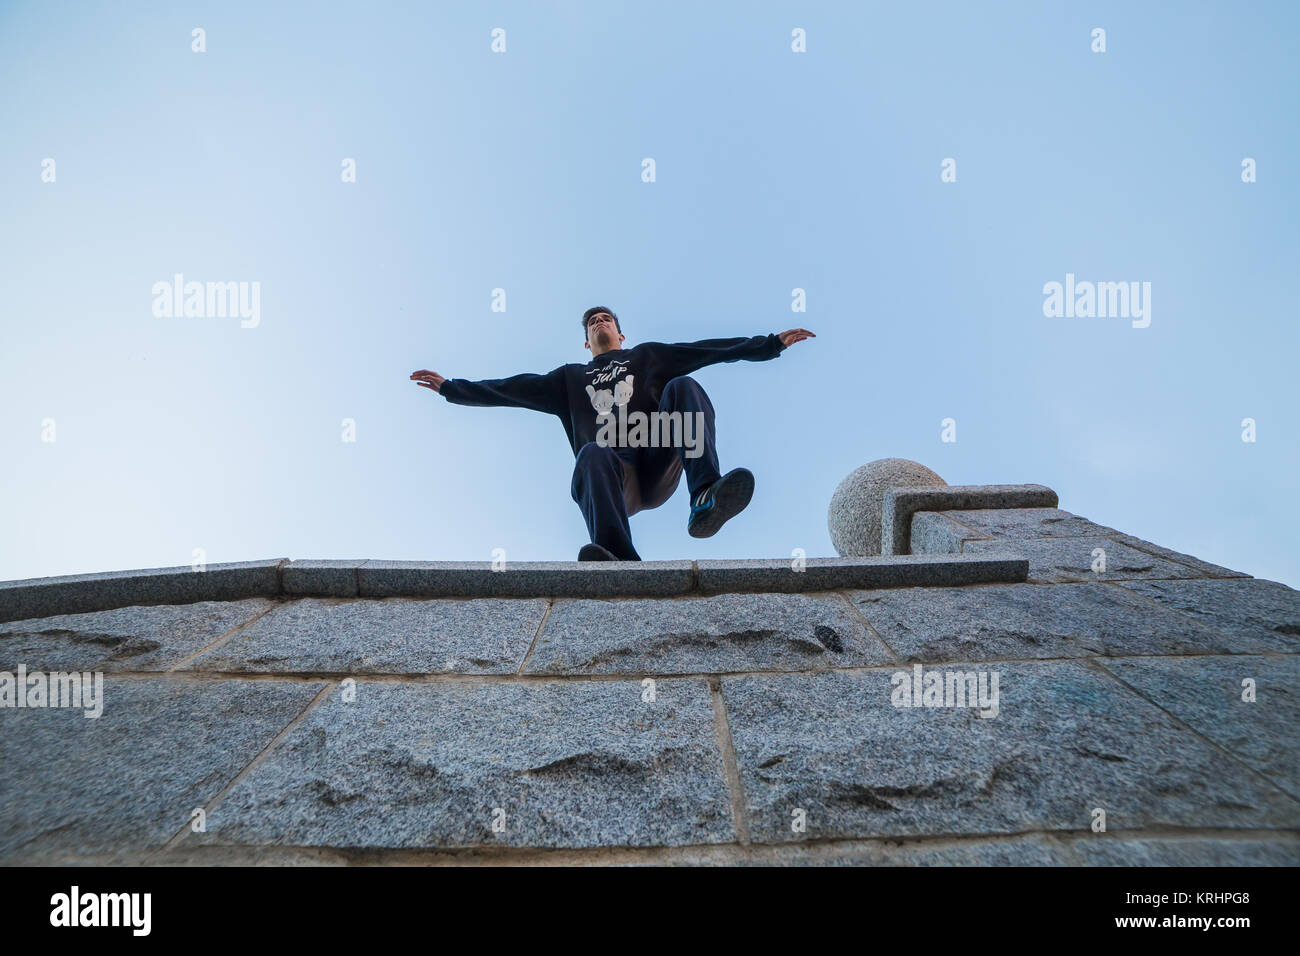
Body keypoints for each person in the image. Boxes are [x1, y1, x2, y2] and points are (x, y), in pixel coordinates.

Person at [411, 307, 814, 561]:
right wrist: (452, 388)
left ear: (622, 335)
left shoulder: (648, 356)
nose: (599, 323)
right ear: (586, 342)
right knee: (591, 453)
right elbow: (511, 388)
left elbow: (706, 350)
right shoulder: (568, 379)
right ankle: (616, 557)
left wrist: (768, 345)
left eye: (606, 320)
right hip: (614, 478)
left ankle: (705, 496)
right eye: (592, 323)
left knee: (683, 387)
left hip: (658, 463)